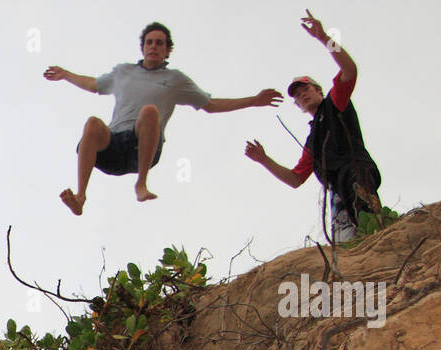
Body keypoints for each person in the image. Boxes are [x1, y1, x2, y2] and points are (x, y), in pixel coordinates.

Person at [45, 21, 281, 215]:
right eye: (149, 42)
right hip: (113, 147)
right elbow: (93, 84)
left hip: (143, 149)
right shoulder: (124, 72)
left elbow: (210, 104)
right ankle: (81, 196)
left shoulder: (176, 79)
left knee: (149, 112)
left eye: (160, 43)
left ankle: (141, 183)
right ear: (143, 47)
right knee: (92, 124)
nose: (154, 47)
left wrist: (253, 100)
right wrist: (66, 74)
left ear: (168, 50)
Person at [244, 10, 383, 242]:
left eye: (306, 89)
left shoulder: (334, 104)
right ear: (297, 105)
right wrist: (264, 159)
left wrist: (323, 37)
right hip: (336, 192)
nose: (303, 96)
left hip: (356, 173)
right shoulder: (312, 141)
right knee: (346, 247)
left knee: (372, 231)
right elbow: (295, 179)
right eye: (298, 96)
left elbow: (349, 71)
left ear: (318, 90)